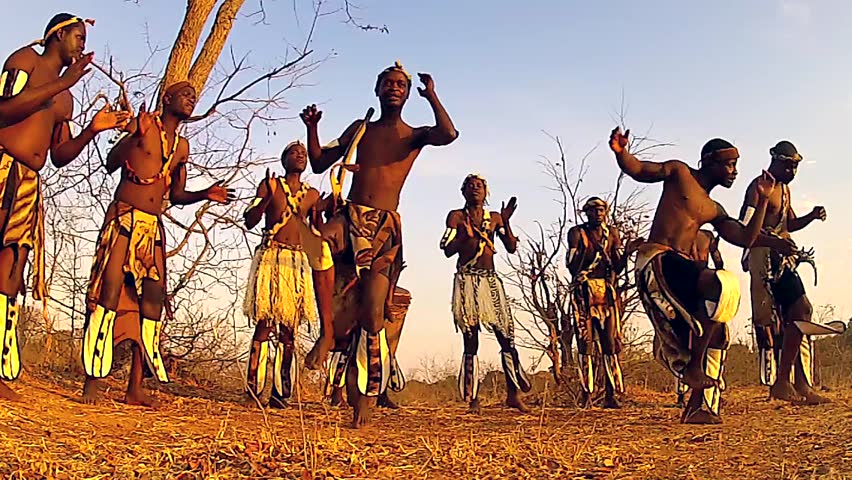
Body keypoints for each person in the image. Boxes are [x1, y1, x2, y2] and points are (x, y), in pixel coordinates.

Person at [299, 61, 458, 428]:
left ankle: (365, 398)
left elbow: (448, 134)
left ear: (407, 93)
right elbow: (322, 162)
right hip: (350, 215)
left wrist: (432, 95)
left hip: (384, 228)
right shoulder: (360, 129)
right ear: (377, 89)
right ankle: (326, 333)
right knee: (320, 244)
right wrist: (312, 129)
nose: (394, 88)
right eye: (387, 83)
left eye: (400, 84)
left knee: (372, 316)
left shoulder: (414, 135)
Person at [609, 126, 796, 424]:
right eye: (729, 164)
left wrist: (762, 200)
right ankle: (694, 367)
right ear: (709, 161)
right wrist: (622, 154)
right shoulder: (679, 173)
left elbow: (746, 236)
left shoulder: (714, 209)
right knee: (718, 282)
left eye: (736, 165)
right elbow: (641, 170)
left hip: (682, 271)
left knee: (717, 325)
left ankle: (698, 407)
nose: (734, 172)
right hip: (657, 259)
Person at [0, 13, 129, 401]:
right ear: (56, 35)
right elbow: (4, 110)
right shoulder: (25, 61)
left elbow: (59, 154)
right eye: (77, 36)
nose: (80, 44)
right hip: (1, 165)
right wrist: (62, 82)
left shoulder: (66, 98)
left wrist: (94, 129)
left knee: (11, 269)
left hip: (28, 182)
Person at [80, 81, 234, 407]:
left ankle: (134, 387)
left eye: (194, 97)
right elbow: (111, 161)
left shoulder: (182, 147)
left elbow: (176, 195)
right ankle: (92, 381)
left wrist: (205, 194)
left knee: (150, 305)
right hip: (123, 219)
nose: (191, 99)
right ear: (167, 99)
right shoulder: (144, 125)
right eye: (184, 94)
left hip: (152, 228)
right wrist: (133, 137)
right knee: (108, 293)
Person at [739, 141, 828, 404]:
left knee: (799, 314)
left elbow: (788, 223)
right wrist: (772, 242)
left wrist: (810, 216)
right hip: (764, 261)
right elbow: (744, 231)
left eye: (796, 166)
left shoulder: (785, 190)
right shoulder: (759, 188)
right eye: (789, 165)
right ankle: (783, 382)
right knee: (782, 321)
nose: (793, 171)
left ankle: (796, 383)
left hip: (784, 261)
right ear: (775, 161)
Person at [440, 174, 530, 414]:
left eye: (479, 186)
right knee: (471, 340)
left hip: (490, 282)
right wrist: (463, 237)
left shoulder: (495, 218)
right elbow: (446, 249)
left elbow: (511, 247)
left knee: (506, 337)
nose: (475, 190)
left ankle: (514, 394)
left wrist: (507, 223)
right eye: (470, 186)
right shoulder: (456, 217)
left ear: (486, 191)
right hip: (466, 281)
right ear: (463, 192)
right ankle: (473, 398)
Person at [242, 140, 320, 408]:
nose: (300, 156)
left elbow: (319, 229)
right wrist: (264, 200)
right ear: (283, 159)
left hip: (296, 262)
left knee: (289, 329)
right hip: (271, 258)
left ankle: (280, 392)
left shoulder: (313, 195)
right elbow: (250, 219)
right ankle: (254, 389)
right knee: (264, 324)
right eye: (294, 153)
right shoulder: (271, 186)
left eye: (304, 154)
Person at [566, 197, 640, 409]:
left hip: (606, 292)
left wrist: (626, 252)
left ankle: (611, 394)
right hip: (584, 291)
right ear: (586, 213)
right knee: (585, 342)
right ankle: (586, 394)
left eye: (601, 209)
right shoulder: (577, 233)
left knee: (609, 342)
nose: (598, 213)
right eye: (593, 210)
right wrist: (589, 251)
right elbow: (571, 265)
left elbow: (617, 267)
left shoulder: (612, 234)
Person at [675, 228, 724, 407]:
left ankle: (708, 402)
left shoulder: (707, 236)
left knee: (713, 340)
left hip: (704, 292)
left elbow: (719, 265)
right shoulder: (678, 234)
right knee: (687, 345)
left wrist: (715, 252)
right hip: (686, 293)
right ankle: (683, 396)